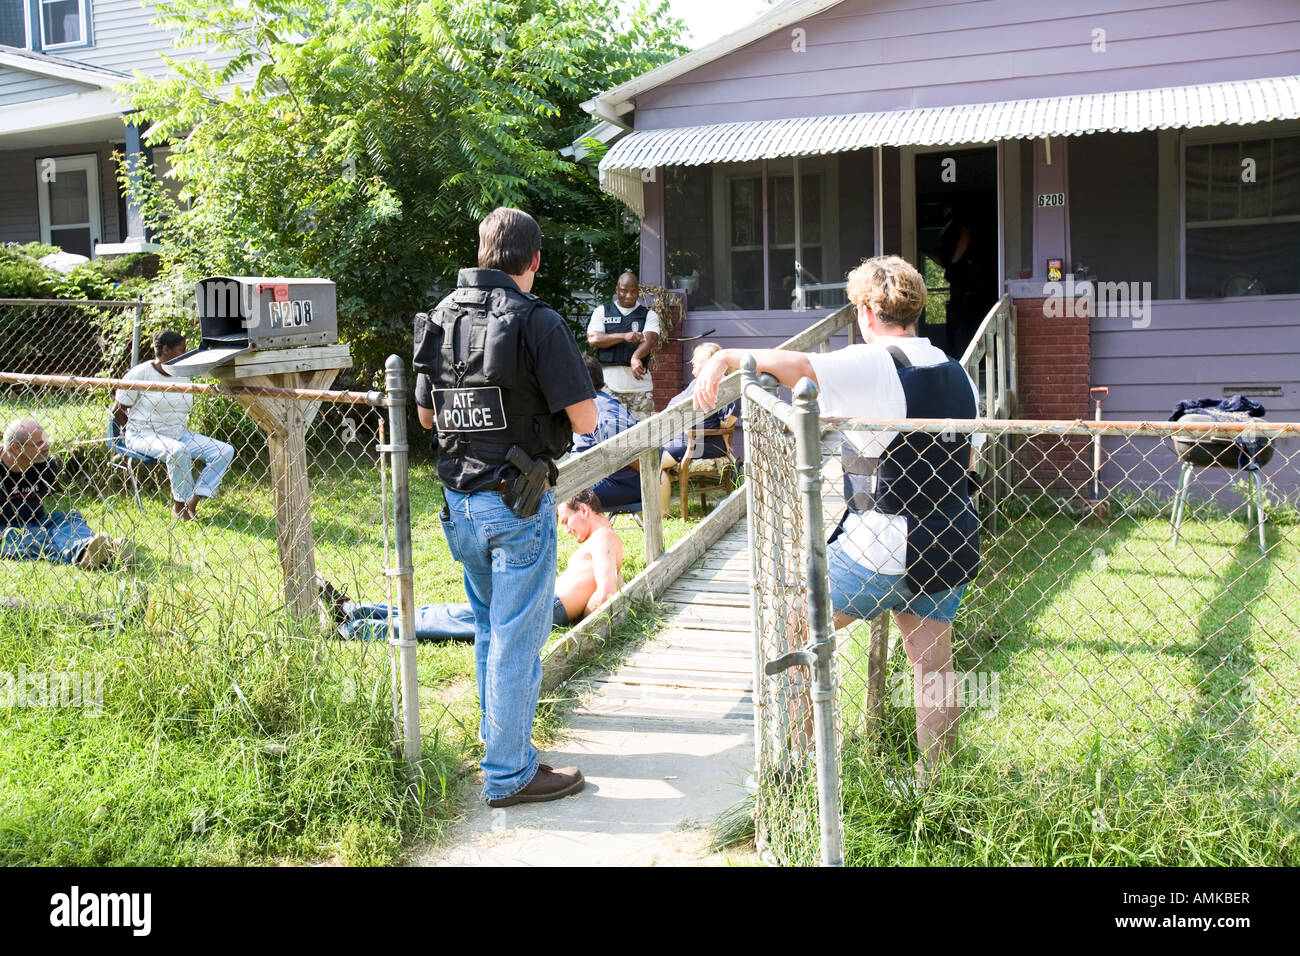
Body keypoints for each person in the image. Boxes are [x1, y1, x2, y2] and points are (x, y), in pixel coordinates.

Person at [693, 255, 981, 787]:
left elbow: (797, 368)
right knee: (933, 664)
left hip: (884, 543)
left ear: (869, 310)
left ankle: (796, 771)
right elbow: (962, 458)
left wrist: (723, 354)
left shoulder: (874, 363)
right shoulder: (955, 368)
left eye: (856, 308)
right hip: (951, 537)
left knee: (794, 629)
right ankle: (934, 784)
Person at [413, 206, 597, 809]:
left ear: (484, 251)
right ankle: (510, 773)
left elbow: (424, 416)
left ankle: (501, 746)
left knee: (492, 630)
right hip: (515, 509)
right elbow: (586, 418)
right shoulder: (536, 320)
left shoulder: (441, 314)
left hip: (457, 504)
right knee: (516, 639)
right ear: (534, 261)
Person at [327, 489, 624, 641]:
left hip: (549, 608)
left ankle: (357, 628)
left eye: (566, 520)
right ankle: (353, 611)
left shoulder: (603, 538)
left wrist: (578, 616)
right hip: (546, 603)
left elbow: (606, 593)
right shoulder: (603, 541)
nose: (566, 529)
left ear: (583, 509)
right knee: (452, 613)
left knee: (459, 622)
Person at [112, 330, 234, 521]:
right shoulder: (140, 374)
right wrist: (135, 429)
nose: (185, 354)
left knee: (223, 451)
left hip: (177, 434)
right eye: (181, 350)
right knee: (178, 451)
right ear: (166, 350)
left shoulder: (182, 373)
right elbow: (118, 410)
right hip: (143, 435)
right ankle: (180, 508)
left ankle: (192, 502)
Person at [2, 418, 130, 569]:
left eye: (46, 440)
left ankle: (88, 548)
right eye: (38, 444)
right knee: (28, 539)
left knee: (68, 519)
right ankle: (91, 555)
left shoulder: (46, 466)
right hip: (4, 528)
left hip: (37, 521)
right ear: (16, 448)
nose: (46, 447)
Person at [658, 342, 740, 512]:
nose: (692, 361)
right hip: (680, 439)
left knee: (652, 463)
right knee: (650, 462)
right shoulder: (696, 383)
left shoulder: (723, 384)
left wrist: (724, 432)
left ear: (712, 362)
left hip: (699, 442)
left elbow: (731, 417)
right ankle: (659, 510)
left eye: (697, 358)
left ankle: (660, 513)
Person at [571, 353, 647, 511]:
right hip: (600, 478)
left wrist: (652, 479)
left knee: (560, 496)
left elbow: (634, 457)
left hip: (621, 484)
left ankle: (599, 533)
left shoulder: (602, 412)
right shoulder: (592, 403)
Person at [586, 271, 660, 420]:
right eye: (624, 291)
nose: (629, 295)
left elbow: (650, 339)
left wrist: (636, 357)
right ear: (617, 289)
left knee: (643, 438)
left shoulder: (649, 315)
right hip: (608, 388)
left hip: (640, 390)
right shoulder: (602, 311)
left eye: (633, 292)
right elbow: (593, 339)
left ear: (638, 291)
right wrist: (624, 336)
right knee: (610, 437)